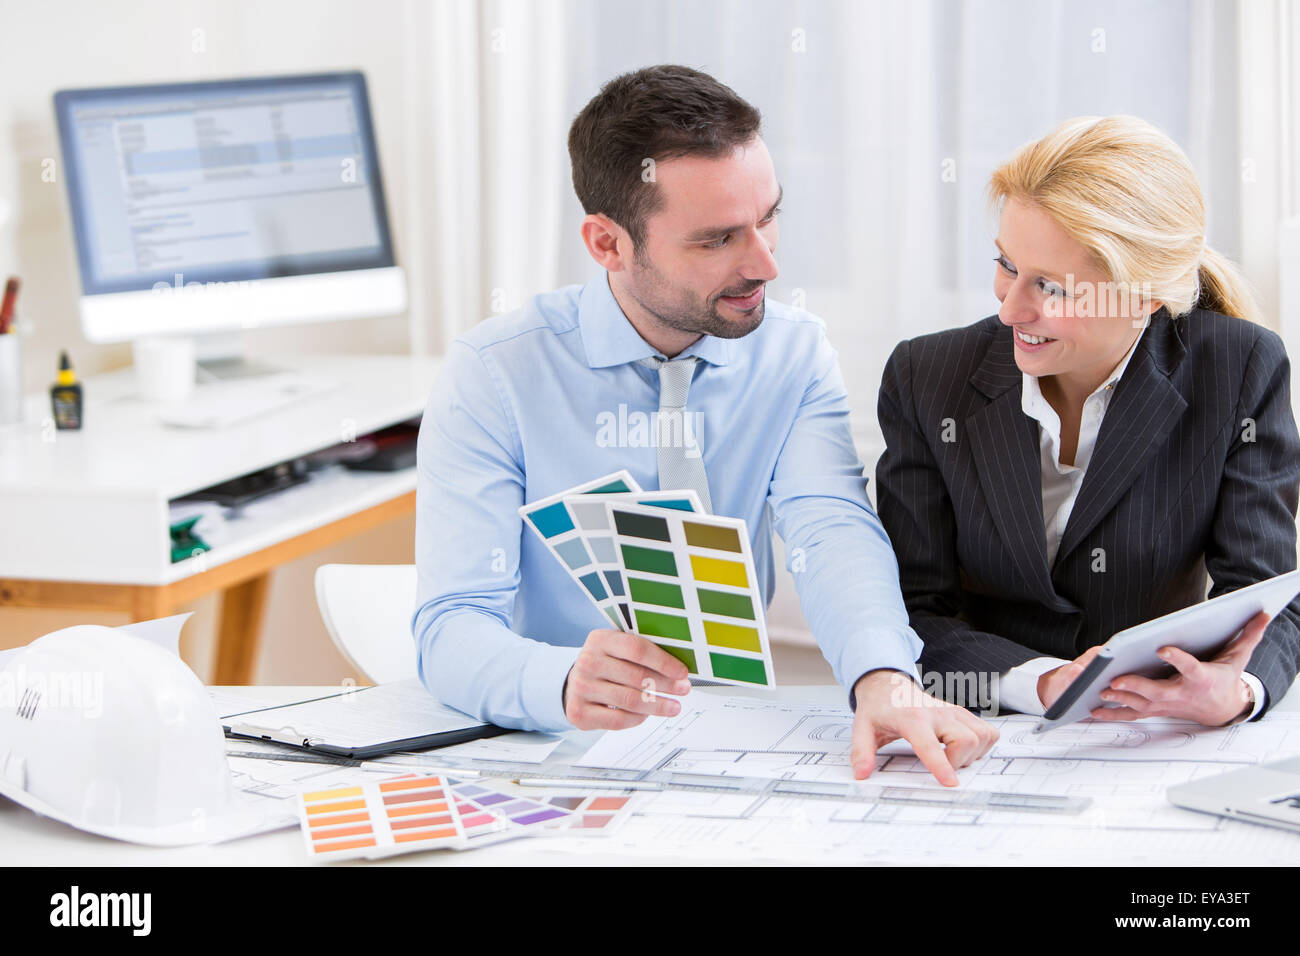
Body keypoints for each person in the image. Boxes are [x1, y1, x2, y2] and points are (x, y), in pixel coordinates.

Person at [412, 64, 997, 786]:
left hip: (732, 740)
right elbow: (451, 627)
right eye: (717, 240)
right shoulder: (495, 373)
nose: (765, 263)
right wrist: (560, 679)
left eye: (769, 216)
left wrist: (882, 673)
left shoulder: (793, 351)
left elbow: (830, 529)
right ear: (607, 244)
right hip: (550, 748)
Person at [875, 115, 1300, 725]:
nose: (1009, 308)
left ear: (1147, 295)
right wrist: (1041, 681)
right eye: (1006, 264)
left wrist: (1235, 689)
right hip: (987, 725)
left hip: (1156, 734)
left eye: (1052, 287)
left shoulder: (1239, 369)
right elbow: (910, 608)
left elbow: (1267, 597)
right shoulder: (926, 376)